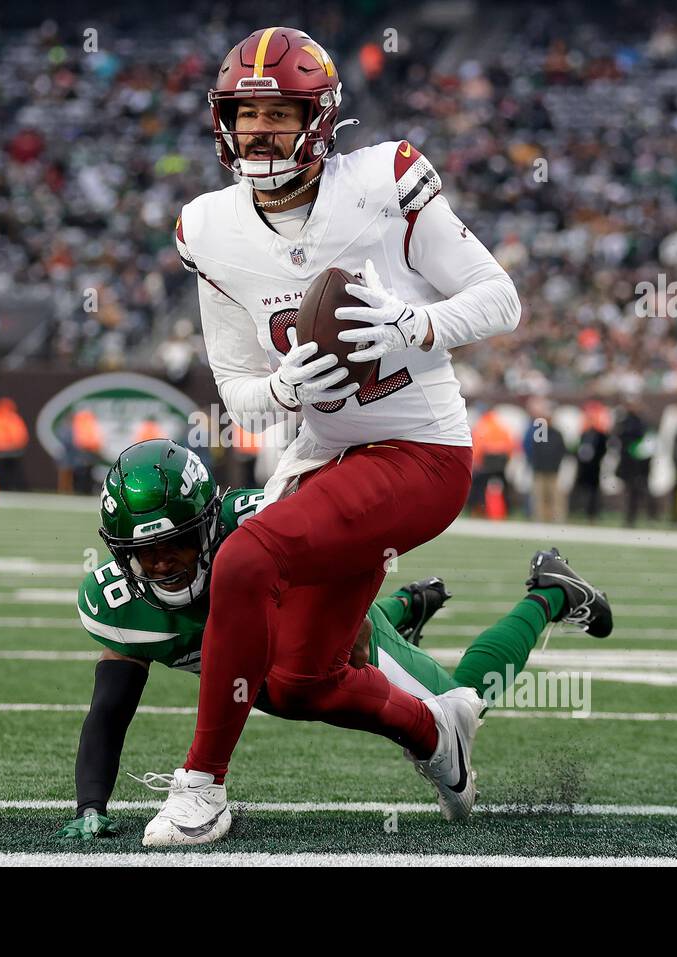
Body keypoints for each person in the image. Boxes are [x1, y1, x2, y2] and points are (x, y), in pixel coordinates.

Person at [147, 26, 531, 846]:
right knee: (299, 680)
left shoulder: (383, 181)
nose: (259, 131)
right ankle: (440, 730)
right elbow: (241, 397)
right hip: (327, 458)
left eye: (279, 113)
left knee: (245, 559)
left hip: (422, 452)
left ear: (318, 118)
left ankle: (201, 788)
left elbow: (501, 299)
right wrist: (282, 390)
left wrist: (414, 325)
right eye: (245, 114)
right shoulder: (208, 228)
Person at [59, 440, 611, 840]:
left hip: (333, 627)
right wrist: (91, 803)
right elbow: (109, 708)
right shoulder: (120, 605)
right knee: (279, 681)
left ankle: (551, 592)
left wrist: (349, 626)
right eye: (143, 553)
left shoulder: (258, 525)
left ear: (206, 525)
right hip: (277, 658)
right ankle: (410, 606)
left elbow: (340, 579)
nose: (160, 564)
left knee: (465, 701)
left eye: (175, 544)